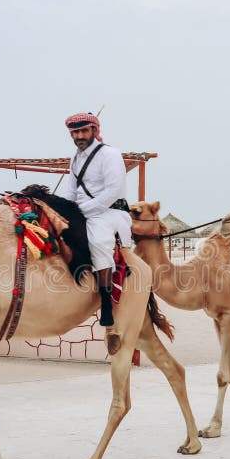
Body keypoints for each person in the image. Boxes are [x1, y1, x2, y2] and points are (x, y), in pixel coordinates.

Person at [60, 112, 131, 327]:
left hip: (108, 212)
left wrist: (84, 210)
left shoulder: (110, 154)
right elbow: (71, 191)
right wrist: (63, 211)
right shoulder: (74, 158)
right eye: (75, 132)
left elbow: (113, 190)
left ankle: (106, 303)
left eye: (84, 131)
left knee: (98, 242)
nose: (80, 135)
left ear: (94, 131)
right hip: (82, 211)